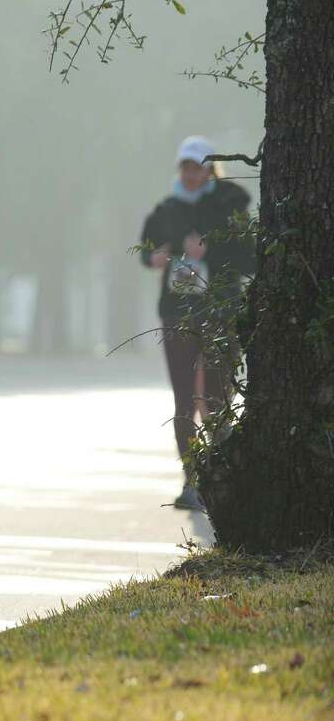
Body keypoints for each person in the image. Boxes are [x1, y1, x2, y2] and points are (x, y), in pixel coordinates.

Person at [138, 135, 254, 511]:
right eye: (185, 167)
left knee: (217, 398)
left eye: (197, 167)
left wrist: (211, 251)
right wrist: (154, 257)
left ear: (210, 169)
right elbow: (147, 248)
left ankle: (221, 478)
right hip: (179, 312)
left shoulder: (230, 205)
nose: (190, 174)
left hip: (221, 310)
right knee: (184, 399)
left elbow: (249, 259)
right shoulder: (166, 210)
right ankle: (192, 481)